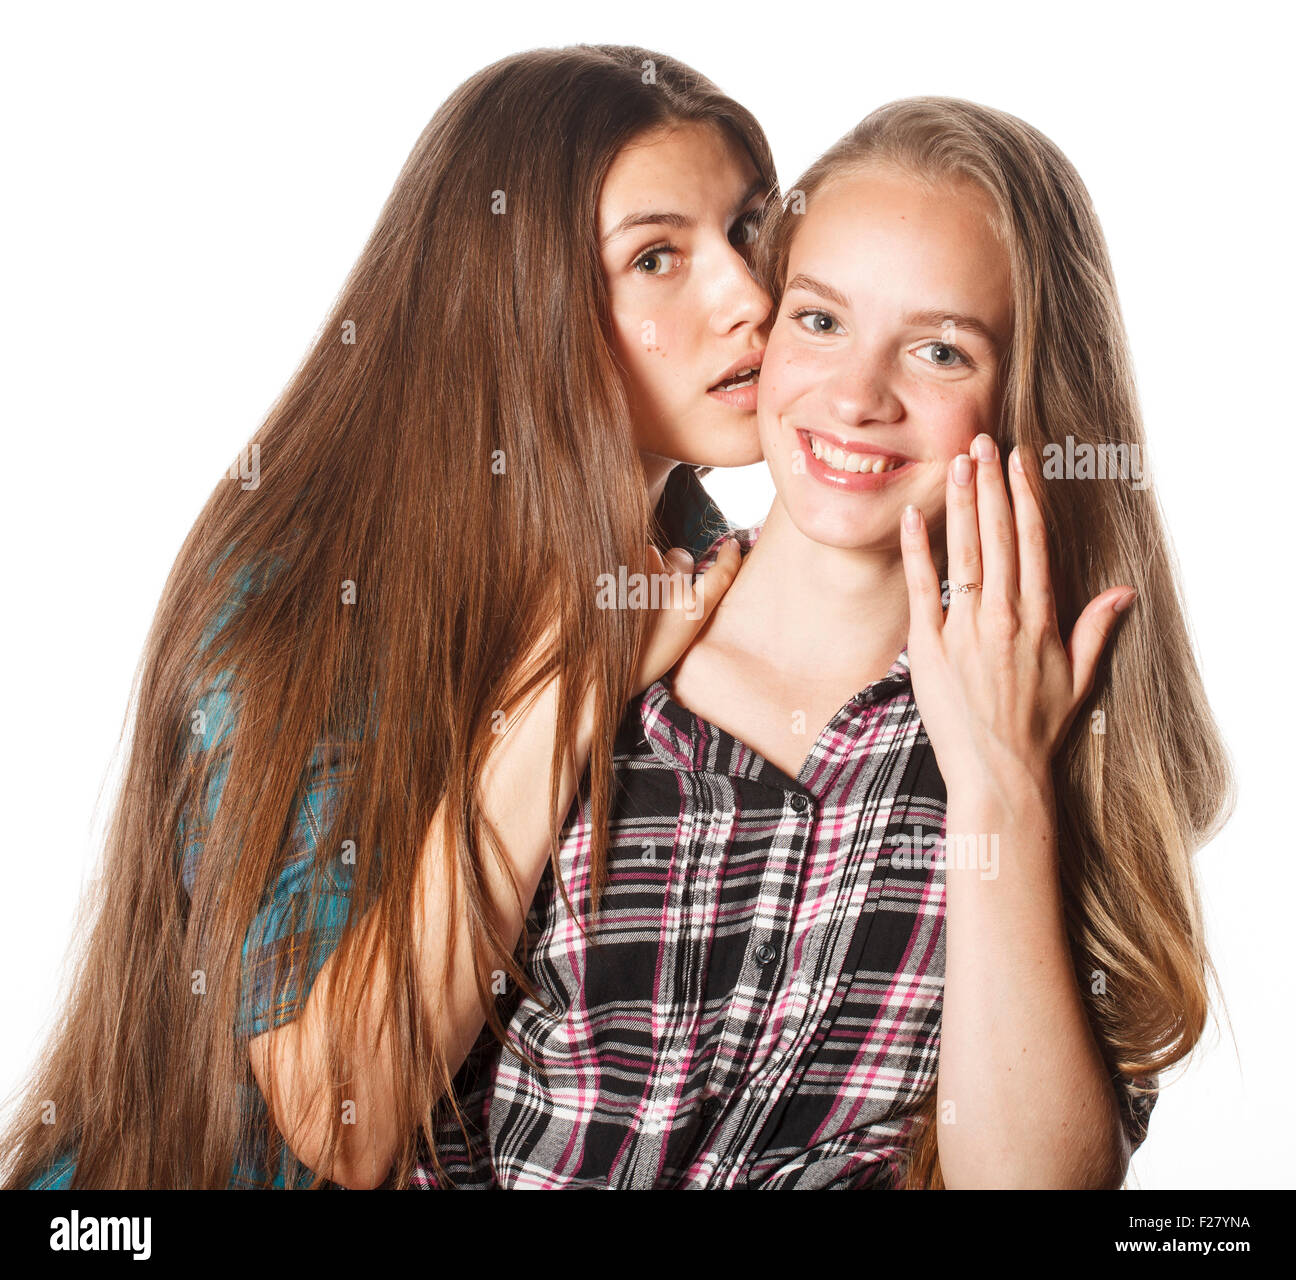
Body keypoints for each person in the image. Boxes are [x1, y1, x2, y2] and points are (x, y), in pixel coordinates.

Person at [409, 96, 1234, 1189]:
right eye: (820, 321)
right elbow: (365, 1100)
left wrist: (1000, 787)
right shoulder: (583, 651)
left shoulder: (1067, 737)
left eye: (939, 350)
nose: (855, 397)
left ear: (1026, 399)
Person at [4, 44, 775, 1190]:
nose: (748, 296)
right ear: (517, 299)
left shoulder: (729, 581)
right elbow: (342, 1114)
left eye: (751, 229)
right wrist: (569, 694)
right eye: (655, 256)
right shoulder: (300, 603)